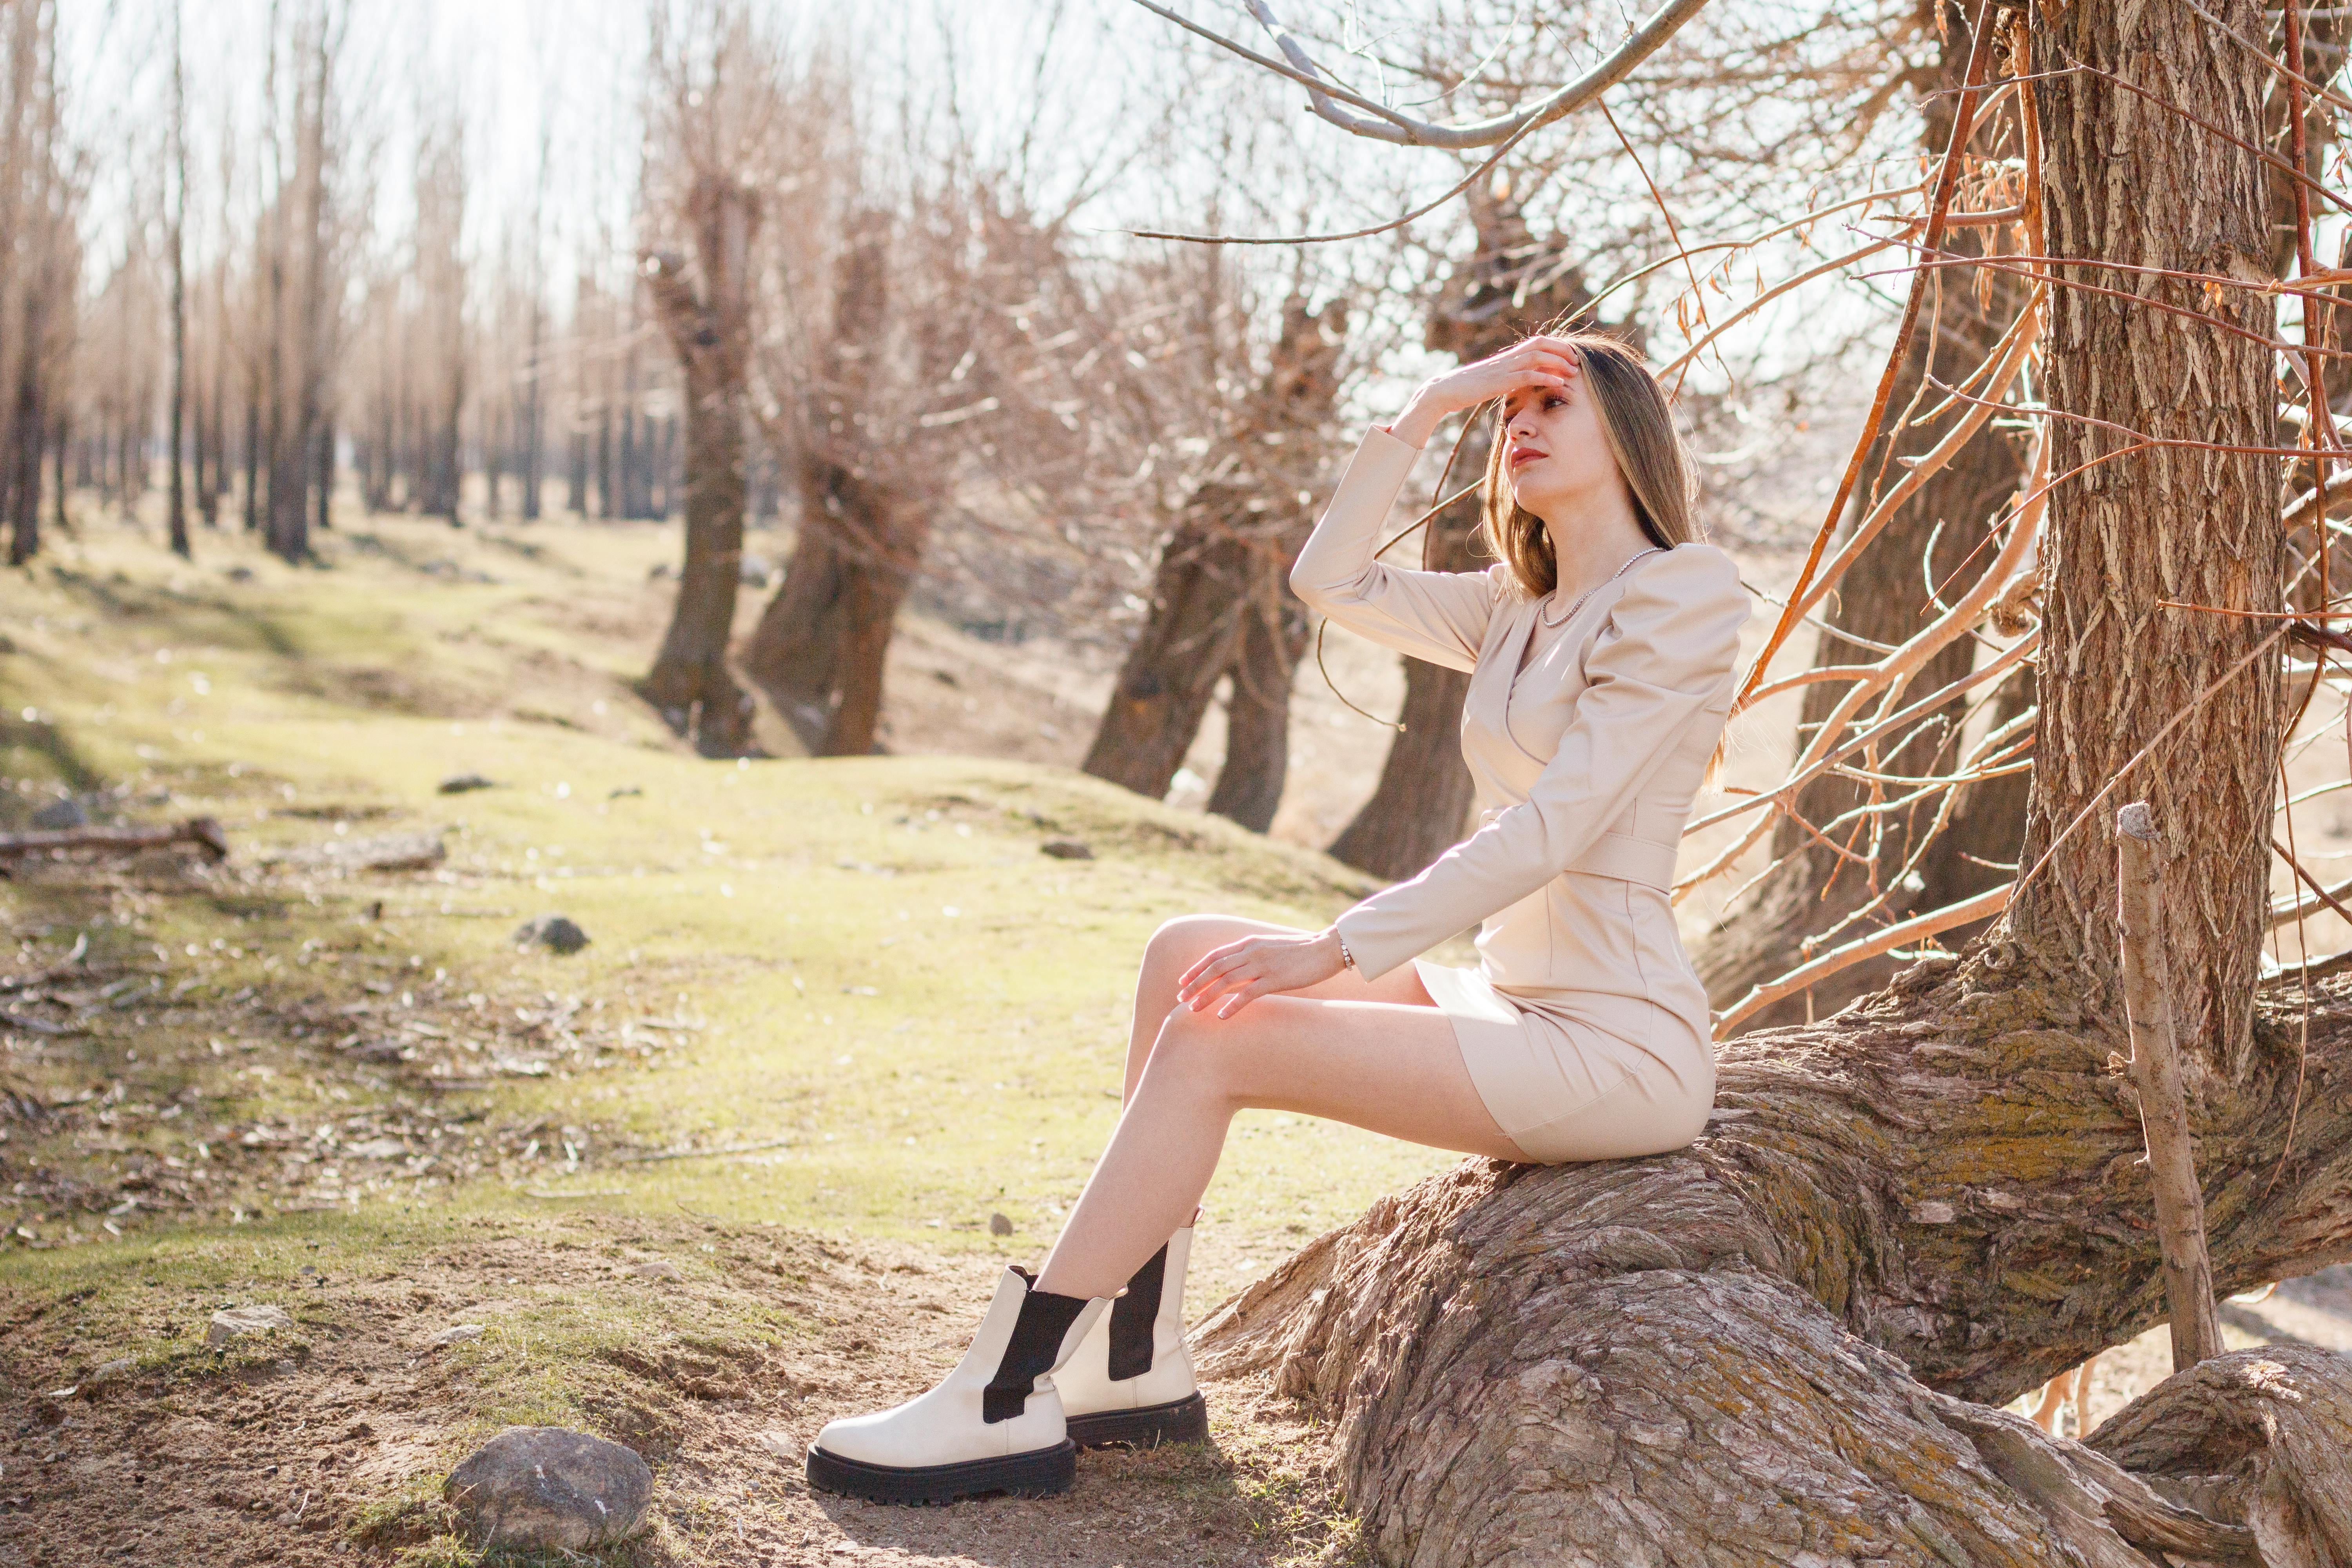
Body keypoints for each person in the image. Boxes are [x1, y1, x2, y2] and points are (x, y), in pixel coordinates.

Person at [803, 330, 1753, 1506]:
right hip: (1506, 998)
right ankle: (1135, 1363)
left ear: (1630, 433)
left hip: (1613, 1043)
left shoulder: (1682, 591)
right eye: (1511, 406)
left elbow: (1553, 829)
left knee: (1222, 1035)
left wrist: (1332, 948)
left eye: (1553, 401)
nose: (1521, 421)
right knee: (1186, 959)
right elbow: (1330, 580)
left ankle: (1006, 1393)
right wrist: (1427, 406)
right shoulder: (1518, 607)